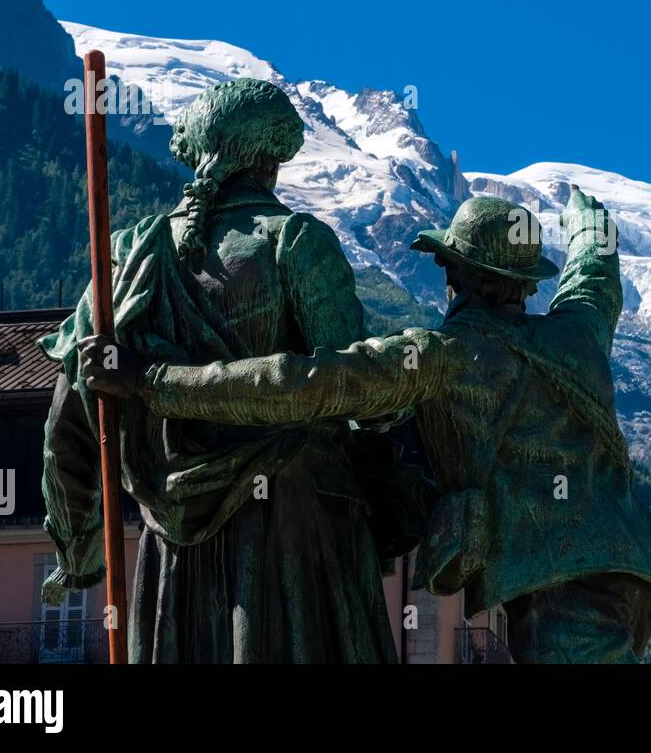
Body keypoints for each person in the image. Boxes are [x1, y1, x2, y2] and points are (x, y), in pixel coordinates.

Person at [81, 187, 651, 663]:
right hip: (633, 574)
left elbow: (296, 383)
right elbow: (595, 271)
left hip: (562, 586)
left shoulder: (437, 357)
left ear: (454, 275)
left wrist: (151, 382)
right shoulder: (577, 333)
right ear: (526, 285)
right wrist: (587, 219)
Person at [40, 78, 411, 663]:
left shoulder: (130, 258)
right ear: (273, 161)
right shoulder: (296, 241)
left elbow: (69, 421)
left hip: (173, 542)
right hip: (296, 527)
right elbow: (349, 388)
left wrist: (78, 551)